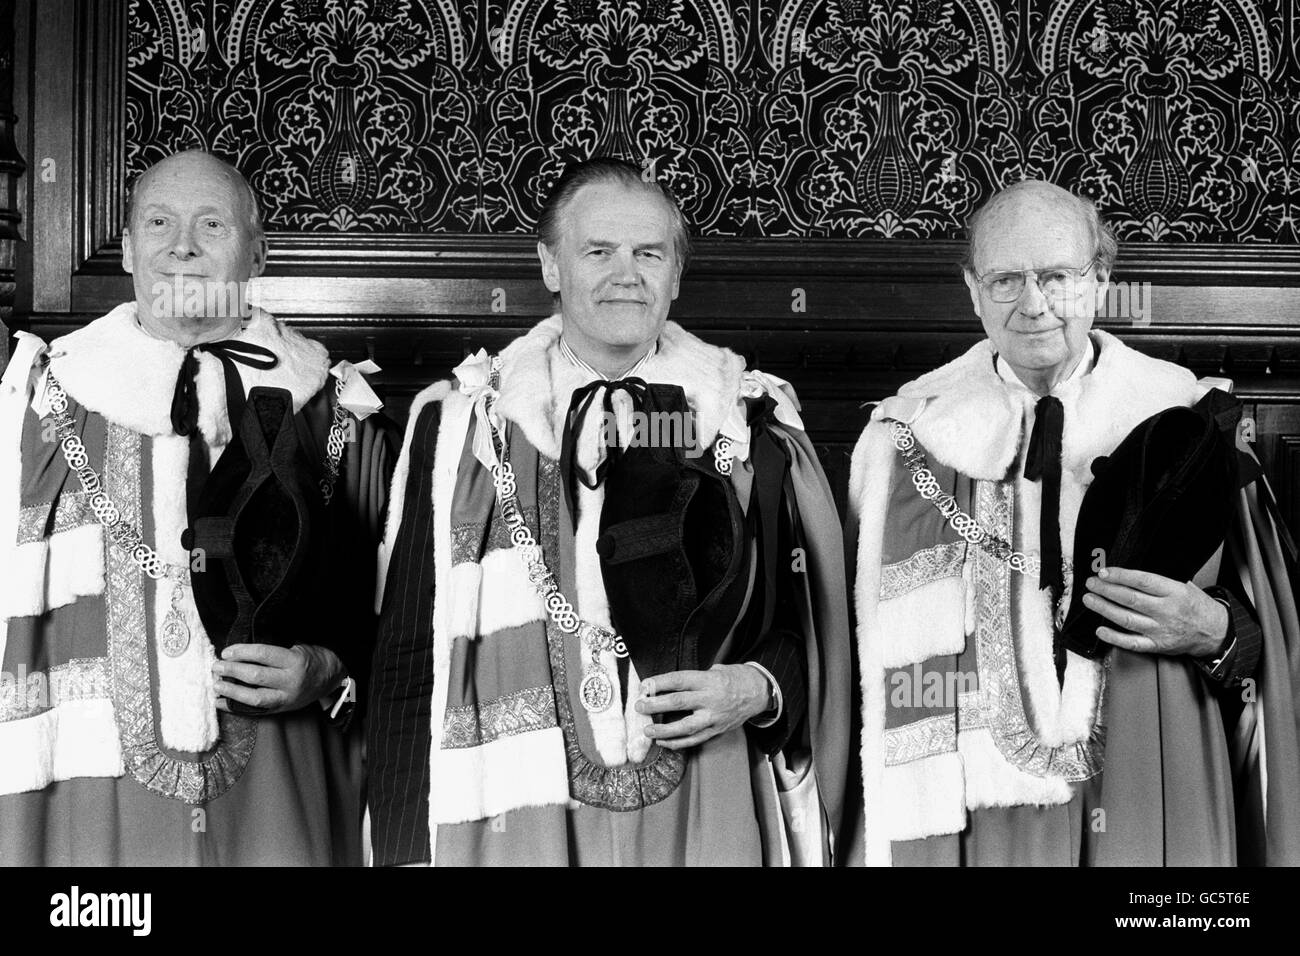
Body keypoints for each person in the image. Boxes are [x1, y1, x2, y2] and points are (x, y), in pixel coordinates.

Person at [367, 157, 853, 866]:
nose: (626, 274)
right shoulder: (461, 428)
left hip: (707, 800)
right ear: (551, 265)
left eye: (649, 253)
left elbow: (805, 627)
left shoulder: (751, 425)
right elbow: (411, 651)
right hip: (510, 821)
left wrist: (755, 687)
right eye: (598, 251)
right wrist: (406, 849)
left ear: (676, 275)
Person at [847, 180, 1300, 866]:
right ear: (972, 290)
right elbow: (850, 666)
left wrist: (1215, 631)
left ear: (1102, 280)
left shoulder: (1193, 424)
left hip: (1152, 775)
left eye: (1058, 276)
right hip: (974, 816)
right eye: (1004, 279)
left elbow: (1277, 651)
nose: (1034, 305)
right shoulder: (905, 442)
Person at [0, 150, 395, 865]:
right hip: (86, 820)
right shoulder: (33, 406)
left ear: (259, 253)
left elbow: (400, 630)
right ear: (126, 249)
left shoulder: (336, 417)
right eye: (158, 222)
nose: (180, 245)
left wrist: (327, 666)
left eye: (211, 225)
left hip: (278, 799)